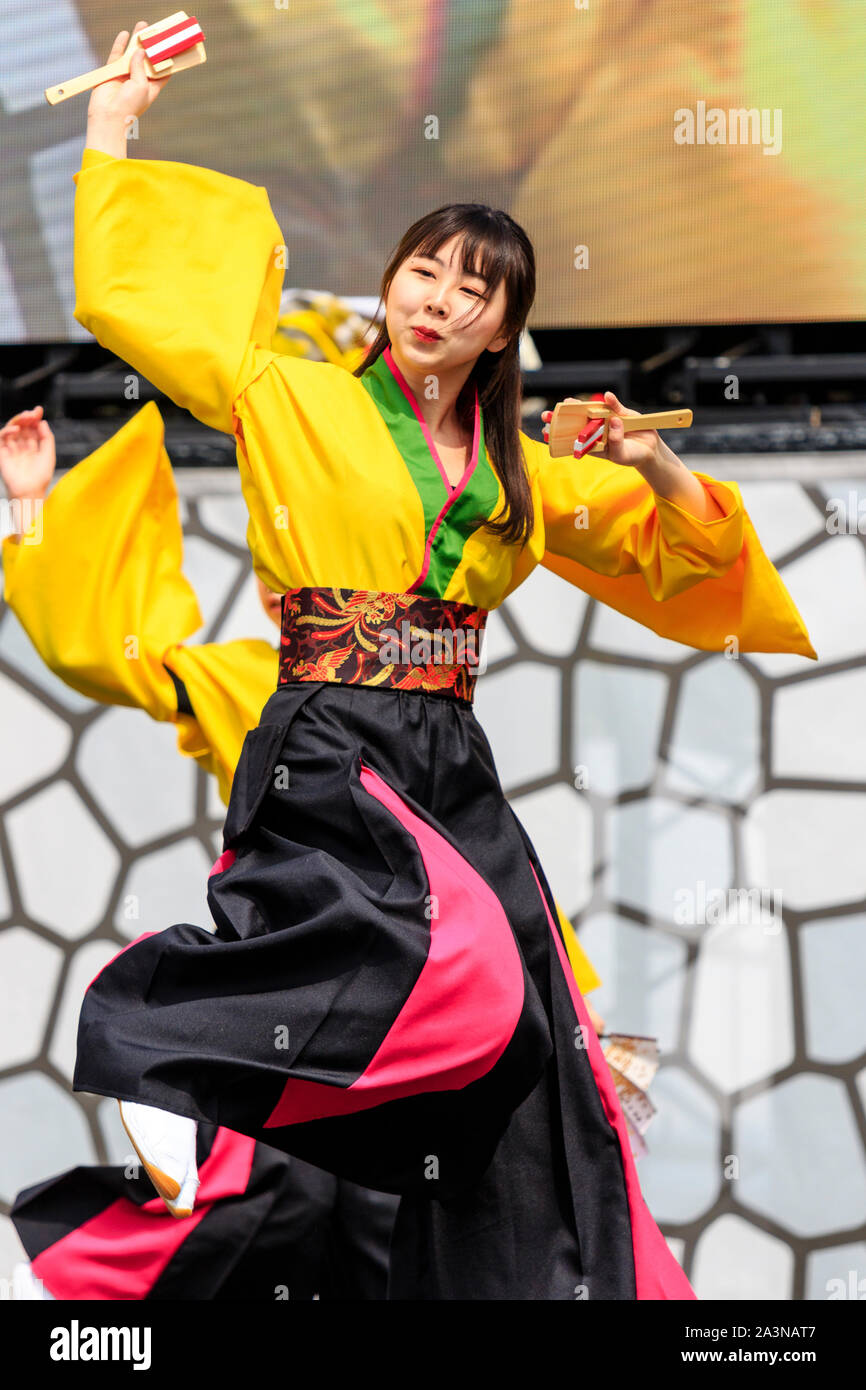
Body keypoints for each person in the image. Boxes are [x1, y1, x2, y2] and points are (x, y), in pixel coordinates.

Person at [69, 25, 815, 1301]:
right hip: (328, 740)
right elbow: (142, 296)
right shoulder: (287, 394)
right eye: (424, 271)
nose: (440, 299)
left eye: (476, 292)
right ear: (391, 281)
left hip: (444, 755)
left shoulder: (515, 480)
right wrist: (114, 121)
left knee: (535, 1040)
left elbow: (679, 554)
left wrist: (647, 457)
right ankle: (165, 1020)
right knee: (461, 963)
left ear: (501, 330)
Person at [0, 396, 604, 1298]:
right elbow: (111, 653)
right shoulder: (257, 683)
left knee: (459, 1241)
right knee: (267, 1218)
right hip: (321, 1024)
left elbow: (495, 890)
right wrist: (31, 509)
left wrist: (582, 1031)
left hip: (432, 1033)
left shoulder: (439, 699)